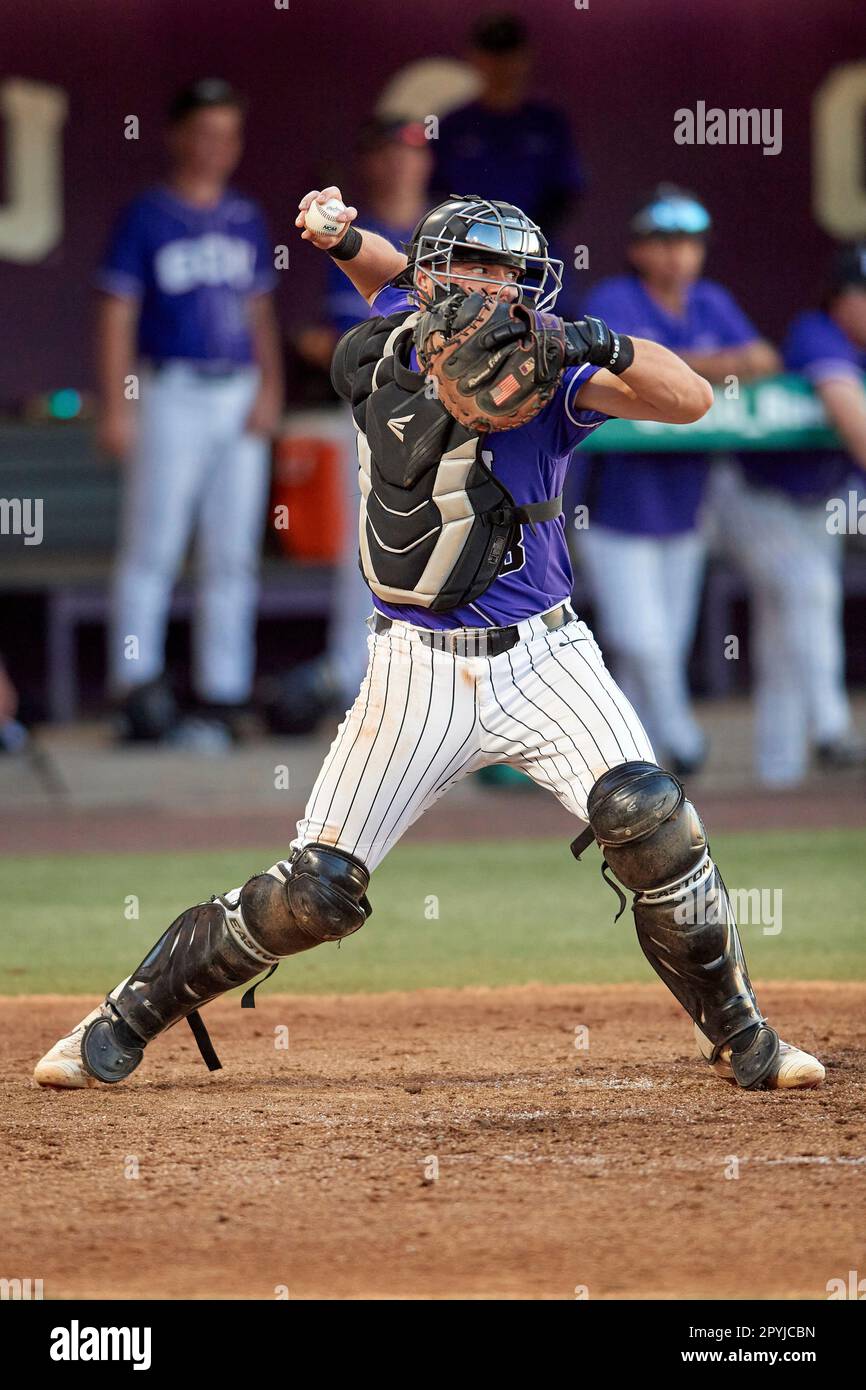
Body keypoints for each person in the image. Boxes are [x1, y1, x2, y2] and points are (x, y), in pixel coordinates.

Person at [34, 190, 822, 1094]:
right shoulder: (394, 336)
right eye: (472, 268)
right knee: (316, 895)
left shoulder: (549, 366)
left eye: (509, 271)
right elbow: (389, 271)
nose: (491, 288)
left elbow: (687, 401)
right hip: (414, 670)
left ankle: (742, 1034)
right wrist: (340, 239)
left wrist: (590, 340)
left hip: (545, 657)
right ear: (430, 277)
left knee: (648, 816)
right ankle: (124, 1016)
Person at [97, 79, 284, 749]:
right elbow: (117, 312)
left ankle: (222, 692)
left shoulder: (246, 217)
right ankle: (135, 689)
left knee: (232, 553)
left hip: (236, 389)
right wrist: (119, 405)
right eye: (204, 132)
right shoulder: (146, 215)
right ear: (177, 135)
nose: (216, 148)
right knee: (153, 548)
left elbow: (260, 310)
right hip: (170, 388)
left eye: (228, 135)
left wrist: (271, 386)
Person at [575, 186, 780, 774]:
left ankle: (631, 769)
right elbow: (626, 365)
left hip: (685, 501)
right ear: (639, 248)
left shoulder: (709, 299)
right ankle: (680, 738)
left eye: (687, 243)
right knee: (642, 640)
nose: (676, 256)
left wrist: (685, 365)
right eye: (663, 242)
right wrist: (705, 366)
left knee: (666, 639)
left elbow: (763, 357)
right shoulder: (616, 294)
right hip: (612, 506)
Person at [272, 118, 433, 733]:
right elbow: (310, 333)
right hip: (363, 413)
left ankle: (420, 682)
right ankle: (357, 674)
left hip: (441, 415)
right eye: (387, 154)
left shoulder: (440, 234)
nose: (399, 165)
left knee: (438, 541)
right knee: (364, 550)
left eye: (410, 154)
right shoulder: (343, 238)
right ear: (370, 163)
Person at [713, 243, 866, 786]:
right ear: (840, 300)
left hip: (818, 504)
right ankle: (830, 727)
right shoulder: (816, 332)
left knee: (785, 634)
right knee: (811, 591)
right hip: (754, 496)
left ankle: (778, 779)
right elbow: (854, 422)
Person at [430, 13, 584, 238]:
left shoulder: (549, 123)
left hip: (536, 249)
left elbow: (566, 192)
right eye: (491, 52)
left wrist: (522, 235)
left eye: (508, 52)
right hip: (468, 248)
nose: (500, 64)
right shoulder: (453, 126)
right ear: (474, 57)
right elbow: (436, 192)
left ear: (525, 56)